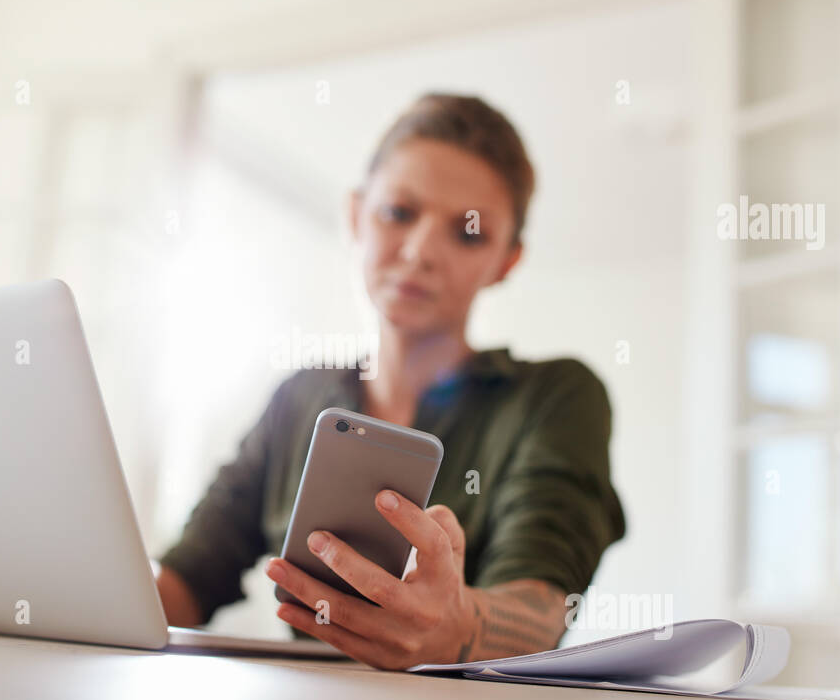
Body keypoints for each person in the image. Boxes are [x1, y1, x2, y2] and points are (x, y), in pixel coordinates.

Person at [155, 92, 626, 670]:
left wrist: (458, 628)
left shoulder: (556, 399)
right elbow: (185, 579)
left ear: (506, 262)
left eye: (468, 234)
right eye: (399, 213)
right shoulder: (299, 398)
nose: (420, 250)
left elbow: (541, 605)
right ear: (355, 215)